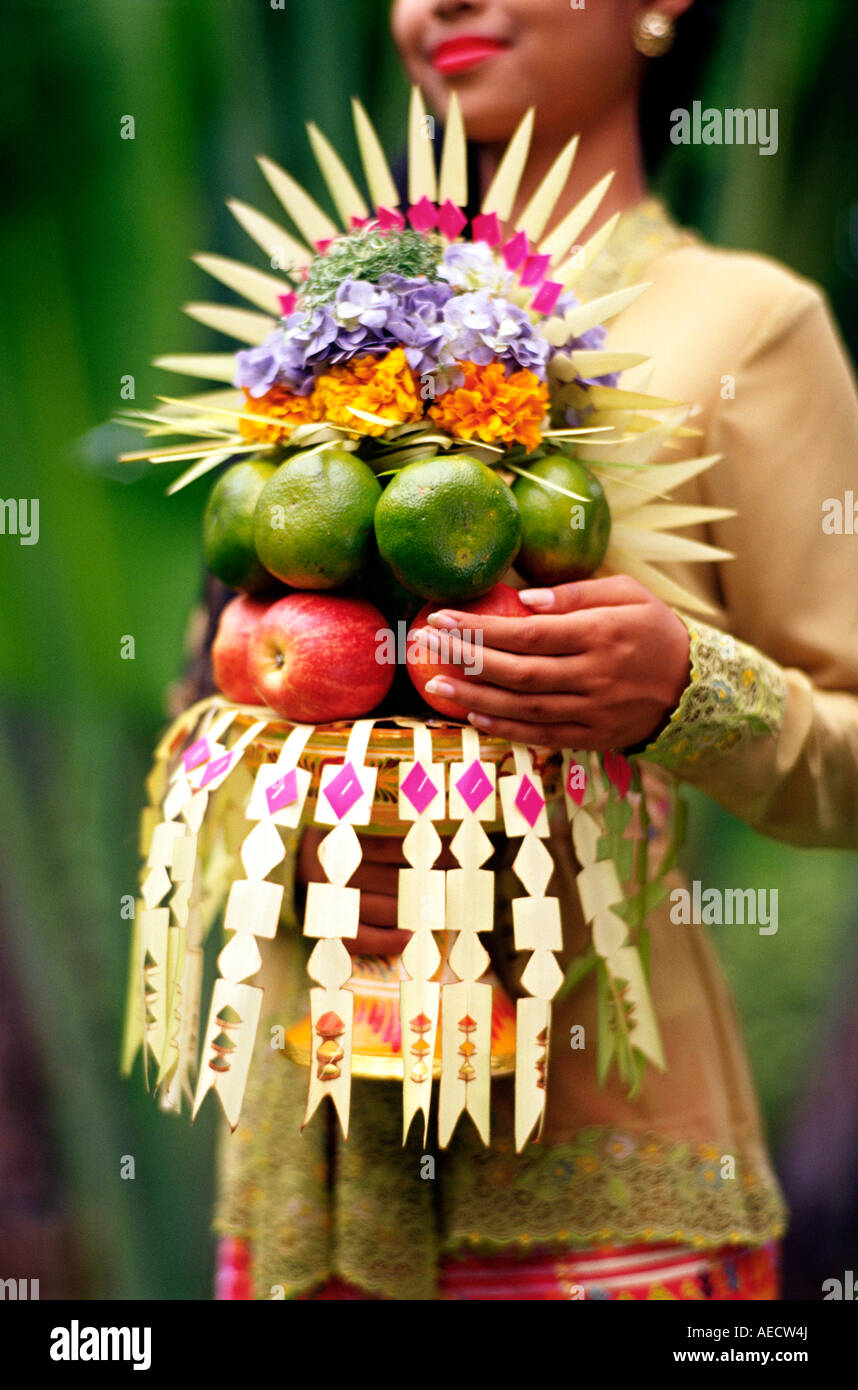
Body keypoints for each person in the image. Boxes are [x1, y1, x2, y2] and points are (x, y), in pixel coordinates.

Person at [211, 0, 858, 1300]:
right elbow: (211, 716)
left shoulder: (747, 328)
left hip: (599, 1185)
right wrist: (287, 827)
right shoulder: (313, 335)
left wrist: (682, 687)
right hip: (306, 1174)